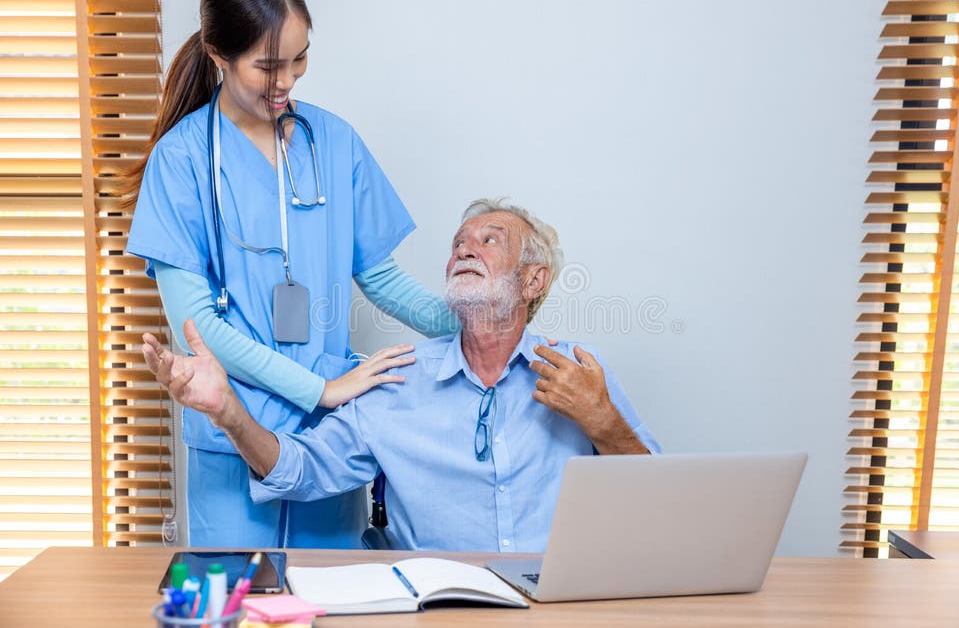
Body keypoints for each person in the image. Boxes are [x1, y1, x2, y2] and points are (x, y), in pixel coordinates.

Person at [122, 0, 457, 548]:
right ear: (217, 54)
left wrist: (477, 321)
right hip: (233, 430)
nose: (287, 81)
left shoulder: (334, 142)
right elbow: (196, 327)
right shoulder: (179, 162)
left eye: (299, 60)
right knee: (238, 603)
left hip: (329, 437)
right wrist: (319, 389)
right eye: (268, 66)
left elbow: (378, 274)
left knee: (332, 601)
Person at [145, 199, 661, 551]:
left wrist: (601, 419)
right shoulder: (399, 379)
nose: (464, 249)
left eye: (489, 240)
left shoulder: (579, 372)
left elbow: (660, 501)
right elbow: (301, 470)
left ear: (533, 279)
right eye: (458, 243)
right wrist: (230, 413)